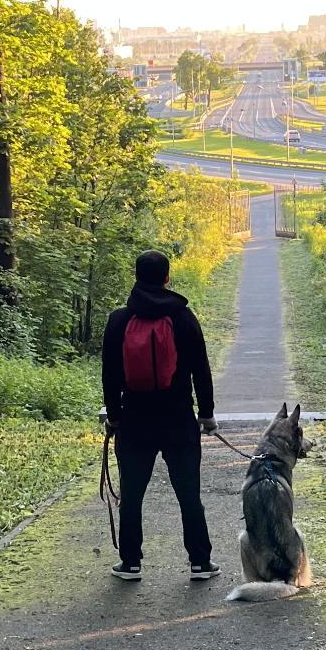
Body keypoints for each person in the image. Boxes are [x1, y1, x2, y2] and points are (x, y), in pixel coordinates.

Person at [102, 248, 220, 582]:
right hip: (178, 419)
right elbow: (201, 369)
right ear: (167, 277)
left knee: (132, 494)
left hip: (134, 420)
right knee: (188, 494)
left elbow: (109, 374)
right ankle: (199, 562)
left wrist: (114, 416)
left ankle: (131, 564)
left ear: (136, 277)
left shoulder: (119, 320)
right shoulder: (183, 318)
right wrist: (206, 414)